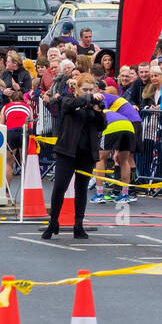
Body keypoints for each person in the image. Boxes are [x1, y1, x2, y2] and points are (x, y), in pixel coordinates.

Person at [43, 74, 104, 240]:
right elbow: (68, 105)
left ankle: (78, 225)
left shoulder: (93, 105)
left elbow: (101, 126)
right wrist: (88, 98)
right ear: (77, 89)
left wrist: (99, 111)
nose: (88, 93)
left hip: (86, 153)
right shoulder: (69, 100)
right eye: (85, 90)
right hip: (67, 151)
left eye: (91, 90)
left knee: (81, 189)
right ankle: (53, 221)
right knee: (59, 188)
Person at [92, 80, 140, 204]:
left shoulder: (99, 99)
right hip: (128, 124)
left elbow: (99, 117)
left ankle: (99, 193)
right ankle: (125, 194)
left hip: (115, 124)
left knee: (100, 158)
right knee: (124, 160)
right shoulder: (111, 99)